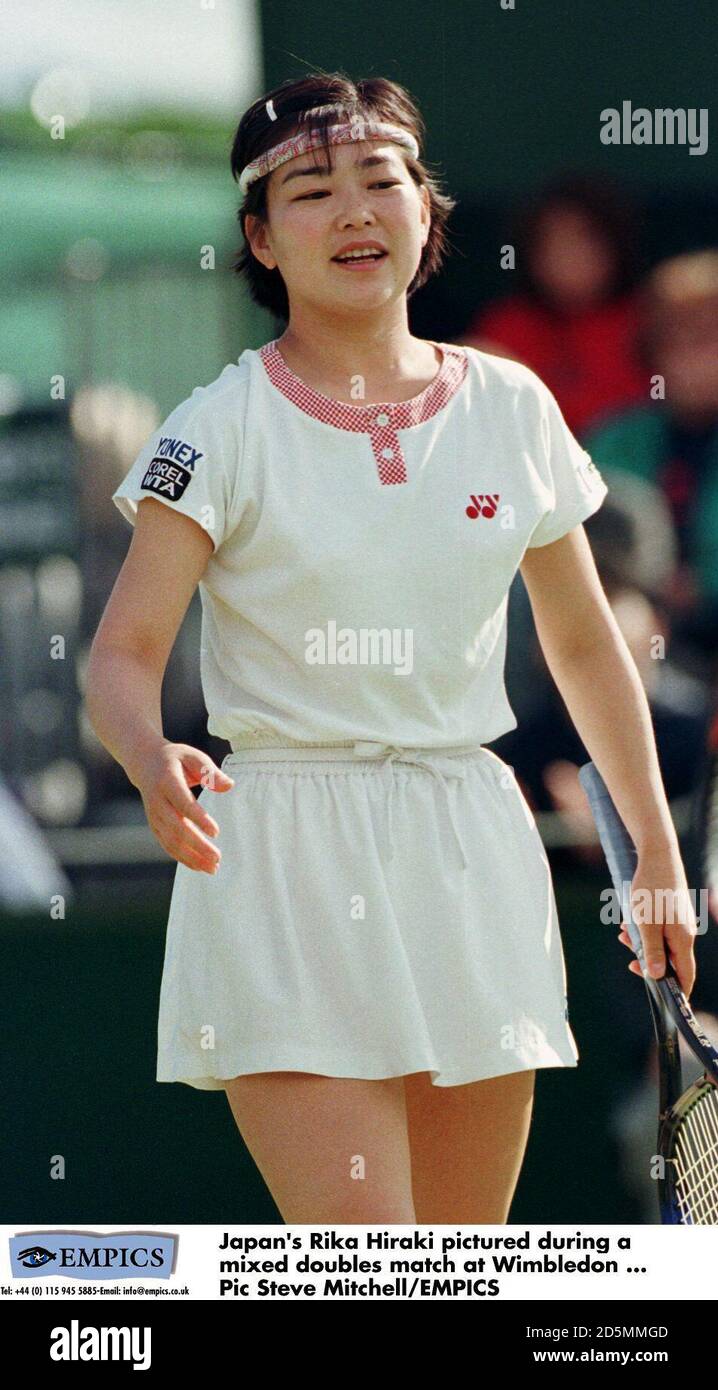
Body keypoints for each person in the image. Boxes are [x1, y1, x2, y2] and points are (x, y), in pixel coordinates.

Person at [86, 73, 697, 1226]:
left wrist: (654, 856)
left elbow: (581, 640)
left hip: (471, 846)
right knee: (367, 1276)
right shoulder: (214, 428)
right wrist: (147, 753)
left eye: (381, 181)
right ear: (263, 240)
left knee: (456, 1279)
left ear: (426, 214)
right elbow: (121, 653)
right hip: (277, 860)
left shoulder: (512, 406)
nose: (354, 211)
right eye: (311, 190)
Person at [584, 250, 718, 672]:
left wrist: (704, 586)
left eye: (707, 340)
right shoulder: (616, 438)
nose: (691, 359)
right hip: (643, 633)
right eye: (675, 341)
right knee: (624, 620)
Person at [464, 173, 648, 437]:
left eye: (583, 240)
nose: (567, 257)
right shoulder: (504, 327)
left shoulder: (649, 320)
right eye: (551, 243)